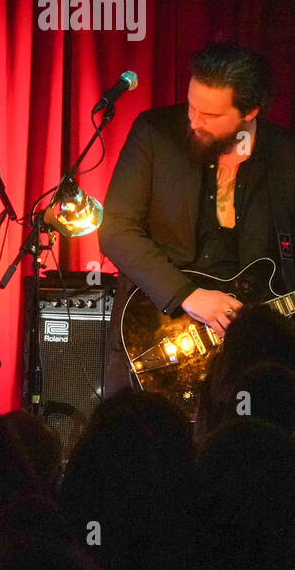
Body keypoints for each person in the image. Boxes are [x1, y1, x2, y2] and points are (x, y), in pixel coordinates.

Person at [99, 41, 295, 394]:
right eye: (192, 106)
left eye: (211, 116)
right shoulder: (154, 132)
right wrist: (187, 295)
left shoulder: (284, 155)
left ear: (249, 113)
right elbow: (115, 230)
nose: (194, 121)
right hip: (151, 327)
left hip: (244, 349)